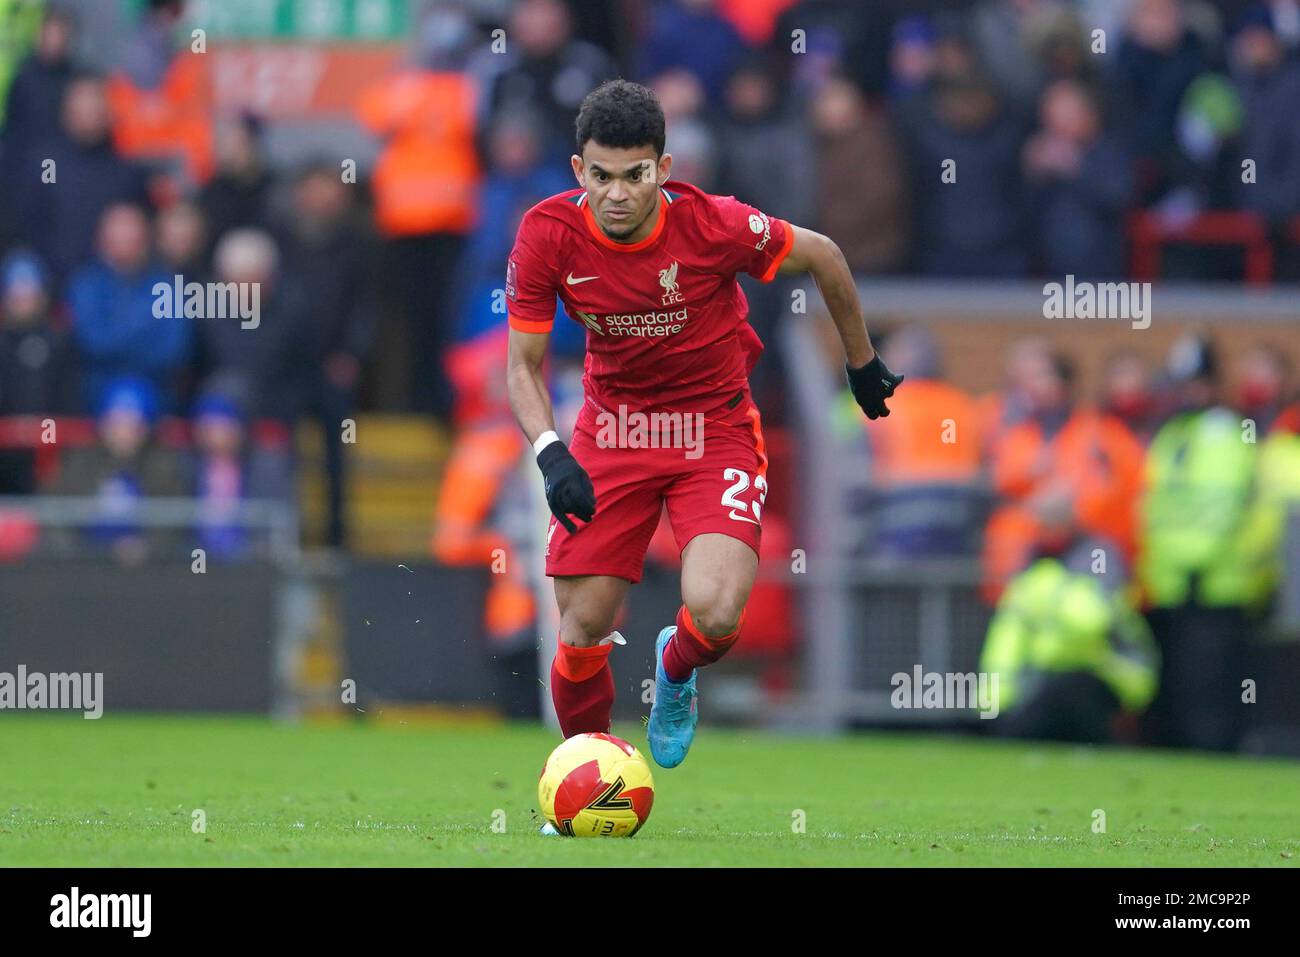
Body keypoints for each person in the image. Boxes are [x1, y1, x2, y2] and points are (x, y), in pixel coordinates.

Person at [505, 80, 902, 794]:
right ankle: (585, 776)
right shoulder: (546, 234)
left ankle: (677, 668)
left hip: (712, 428)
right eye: (602, 176)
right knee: (581, 626)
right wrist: (549, 450)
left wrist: (861, 362)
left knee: (717, 612)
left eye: (635, 175)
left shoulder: (716, 224)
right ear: (578, 172)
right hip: (614, 428)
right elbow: (522, 365)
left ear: (663, 167)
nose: (618, 194)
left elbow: (826, 255)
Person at [1139, 334, 1259, 751]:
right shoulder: (1173, 434)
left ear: (1208, 383)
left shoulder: (1223, 433)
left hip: (1208, 584)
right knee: (1177, 689)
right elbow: (1155, 506)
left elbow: (1221, 507)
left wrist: (1193, 563)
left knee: (1207, 693)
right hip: (1169, 582)